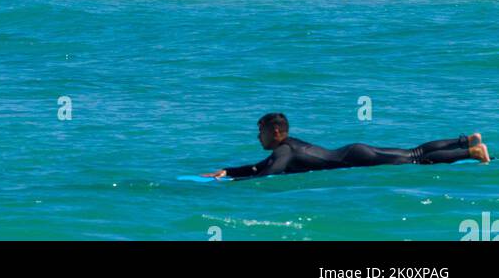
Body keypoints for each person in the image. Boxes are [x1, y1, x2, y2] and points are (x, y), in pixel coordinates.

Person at [207, 112, 489, 181]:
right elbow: (264, 166)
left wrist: (234, 180)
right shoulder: (290, 144)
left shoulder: (283, 151)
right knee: (414, 152)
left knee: (417, 161)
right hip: (355, 151)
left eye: (261, 132)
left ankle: (471, 152)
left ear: (276, 132)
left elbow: (267, 173)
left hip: (358, 158)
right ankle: (466, 140)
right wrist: (228, 171)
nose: (258, 138)